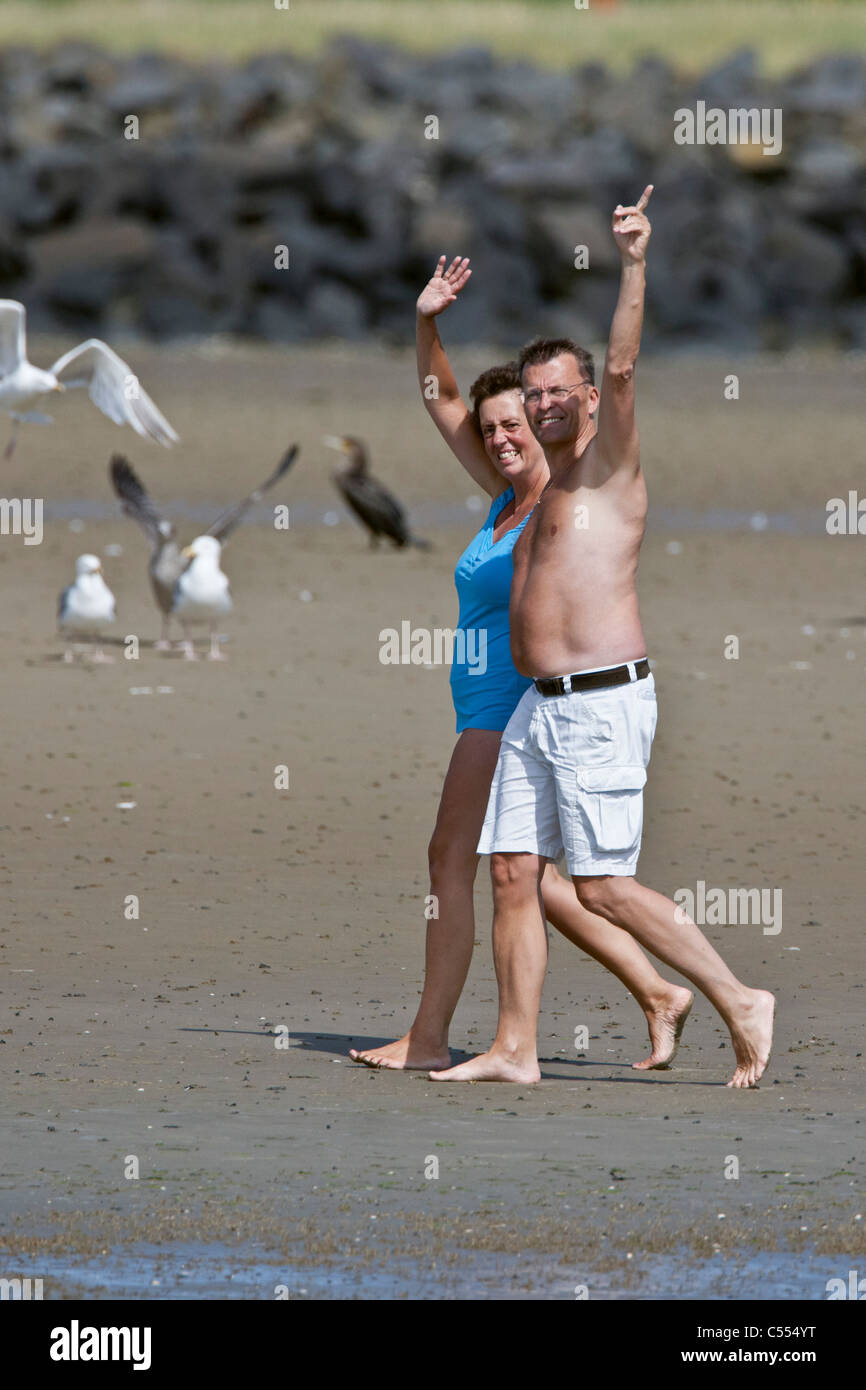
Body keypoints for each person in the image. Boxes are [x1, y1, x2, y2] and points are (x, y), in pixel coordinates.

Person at [430, 190, 775, 1090]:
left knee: (602, 887)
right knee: (511, 870)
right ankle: (514, 1049)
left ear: (586, 397)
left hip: (602, 701)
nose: (542, 407)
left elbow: (623, 365)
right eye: (530, 394)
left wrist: (631, 262)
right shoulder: (533, 488)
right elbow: (449, 410)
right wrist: (427, 327)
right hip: (540, 711)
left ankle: (739, 998)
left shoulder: (610, 467)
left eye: (556, 394)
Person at [349, 254, 693, 1073]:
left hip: (509, 706)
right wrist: (427, 321)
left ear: (546, 425)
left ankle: (431, 1035)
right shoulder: (503, 496)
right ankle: (656, 991)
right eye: (494, 427)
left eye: (518, 423)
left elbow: (614, 381)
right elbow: (440, 400)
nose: (503, 437)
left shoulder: (557, 496)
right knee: (531, 879)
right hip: (482, 700)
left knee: (453, 858)